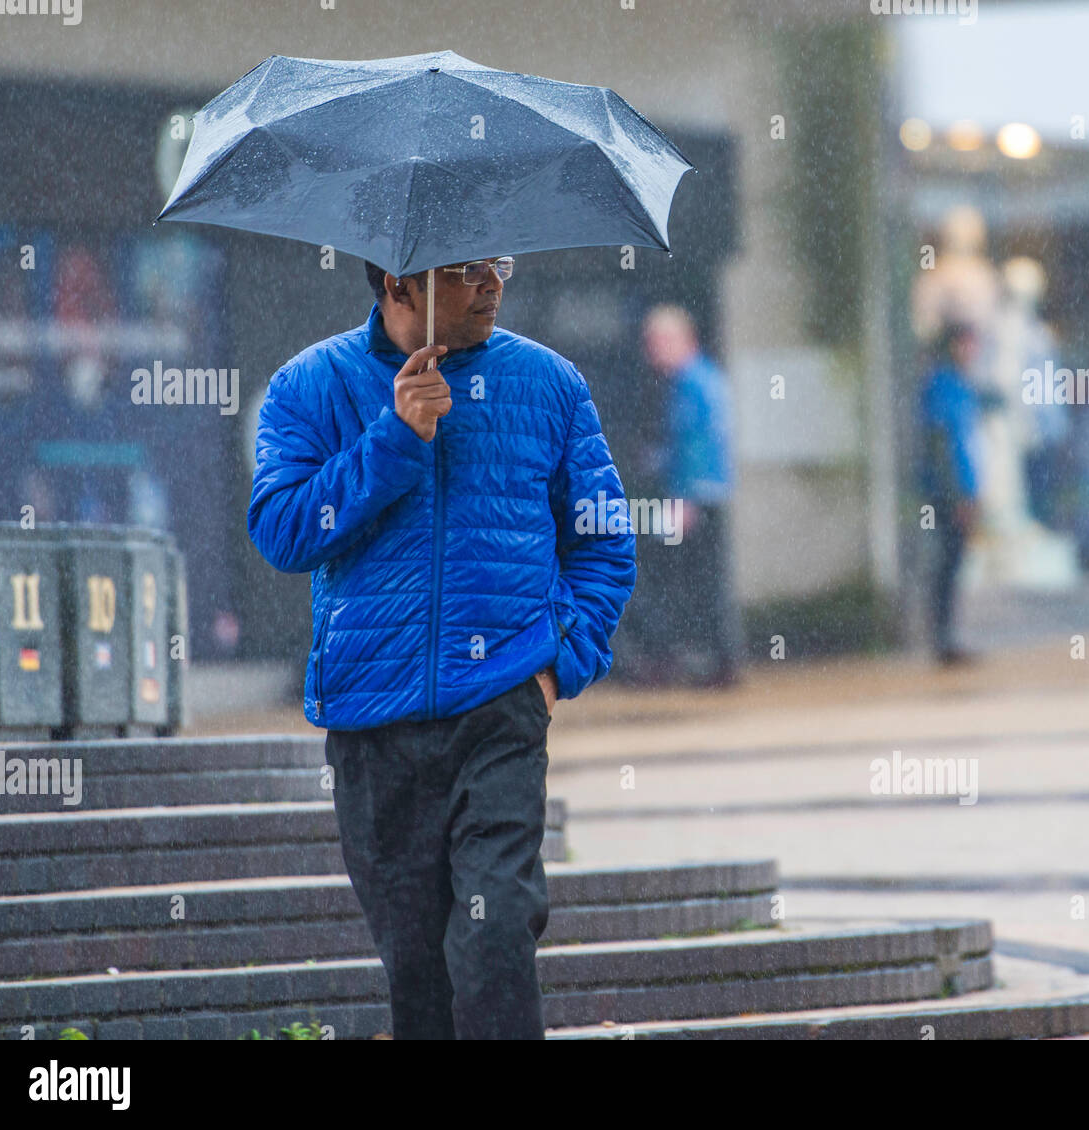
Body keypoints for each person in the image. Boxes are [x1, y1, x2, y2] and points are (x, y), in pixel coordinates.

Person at [247, 255, 636, 1039]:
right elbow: (283, 532)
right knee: (418, 973)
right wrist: (394, 438)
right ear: (398, 283)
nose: (493, 284)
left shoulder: (550, 384)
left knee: (496, 937)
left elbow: (603, 544)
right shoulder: (310, 384)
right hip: (371, 725)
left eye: (500, 264)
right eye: (465, 271)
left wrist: (554, 667)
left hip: (499, 713)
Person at [641, 304, 742, 687]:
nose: (652, 351)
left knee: (696, 580)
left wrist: (687, 499)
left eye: (659, 342)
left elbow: (700, 445)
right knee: (698, 579)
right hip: (698, 496)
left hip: (695, 500)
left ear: (683, 339)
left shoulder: (694, 384)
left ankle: (712, 660)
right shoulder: (697, 380)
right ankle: (709, 659)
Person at [919, 323, 983, 666]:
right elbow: (941, 443)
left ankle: (949, 635)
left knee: (954, 565)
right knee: (946, 564)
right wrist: (955, 494)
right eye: (966, 344)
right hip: (948, 495)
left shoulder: (960, 385)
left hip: (962, 492)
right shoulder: (943, 385)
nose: (972, 351)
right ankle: (942, 637)